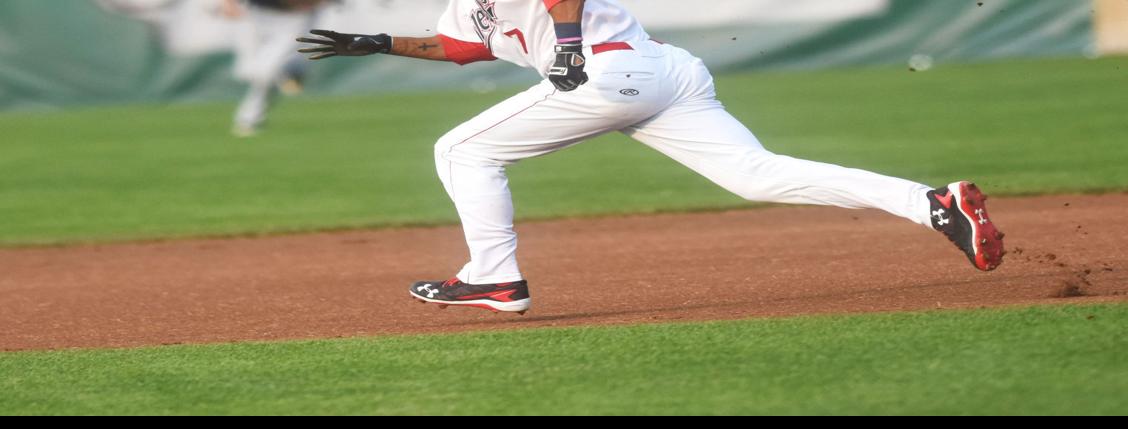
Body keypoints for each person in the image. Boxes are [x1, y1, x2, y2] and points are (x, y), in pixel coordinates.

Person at [298, 0, 1004, 314]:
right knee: (754, 176)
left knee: (459, 150)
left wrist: (567, 46)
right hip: (663, 73)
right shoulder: (470, 4)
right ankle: (932, 204)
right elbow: (462, 45)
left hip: (608, 70)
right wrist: (379, 42)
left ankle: (494, 280)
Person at [224, 0, 328, 136]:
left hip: (296, 16)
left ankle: (249, 118)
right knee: (251, 70)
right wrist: (227, 3)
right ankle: (292, 70)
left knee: (267, 70)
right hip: (257, 13)